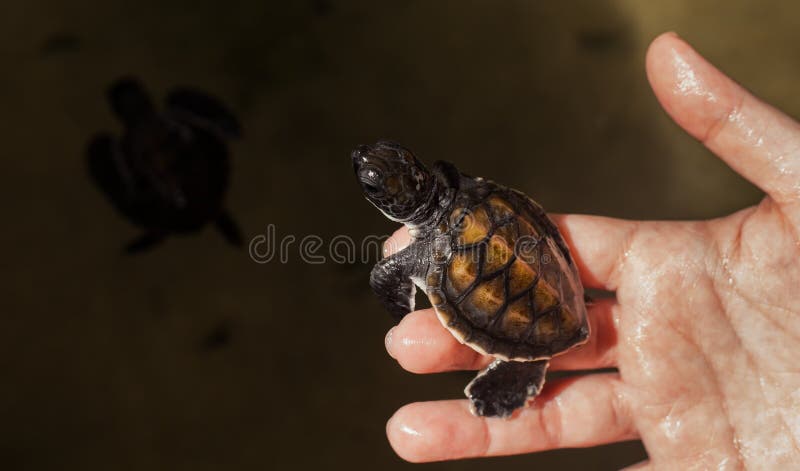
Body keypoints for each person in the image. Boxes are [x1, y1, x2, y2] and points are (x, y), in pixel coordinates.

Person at [380, 32, 800, 468]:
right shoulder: (462, 186)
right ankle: (530, 358)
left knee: (389, 281)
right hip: (540, 275)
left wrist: (396, 297)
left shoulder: (425, 242)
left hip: (524, 301)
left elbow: (390, 276)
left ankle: (526, 361)